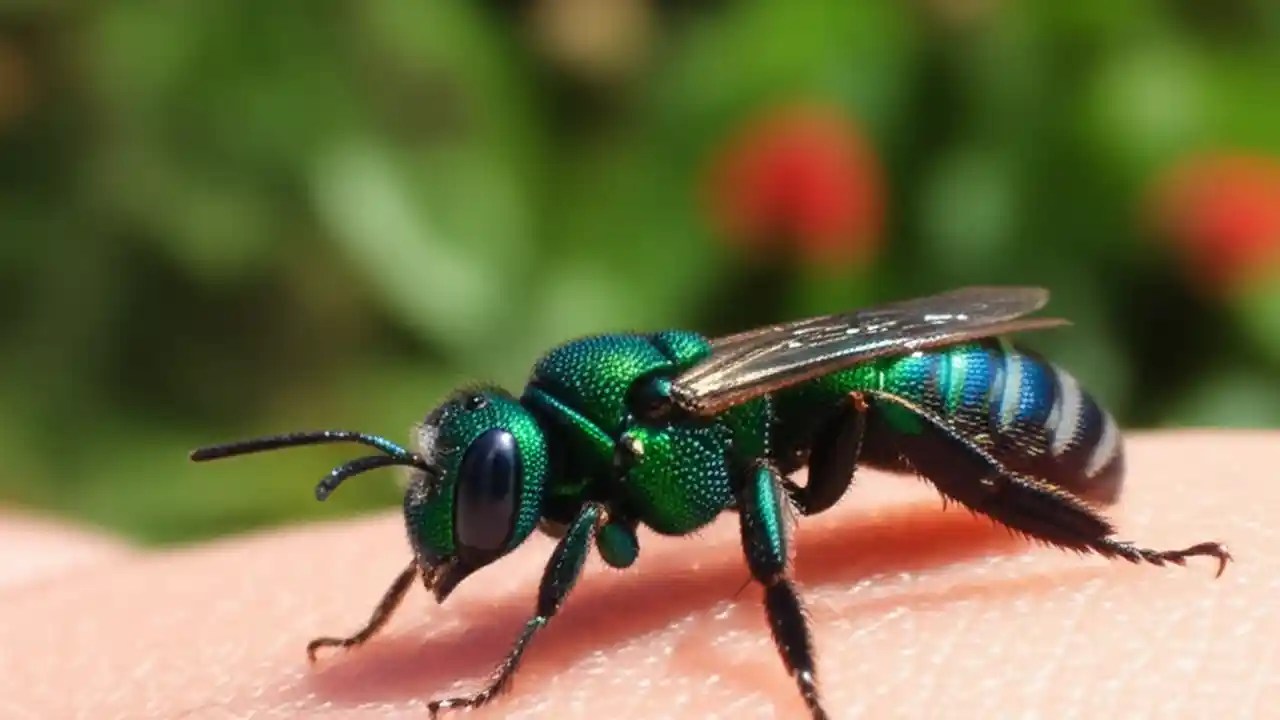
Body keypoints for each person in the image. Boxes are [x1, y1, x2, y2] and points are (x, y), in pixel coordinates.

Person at [0, 433, 1270, 718]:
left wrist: (506, 677)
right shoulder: (571, 474)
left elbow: (756, 492)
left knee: (870, 413)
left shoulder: (651, 427)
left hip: (1020, 428)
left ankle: (1111, 551)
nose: (455, 539)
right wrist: (385, 610)